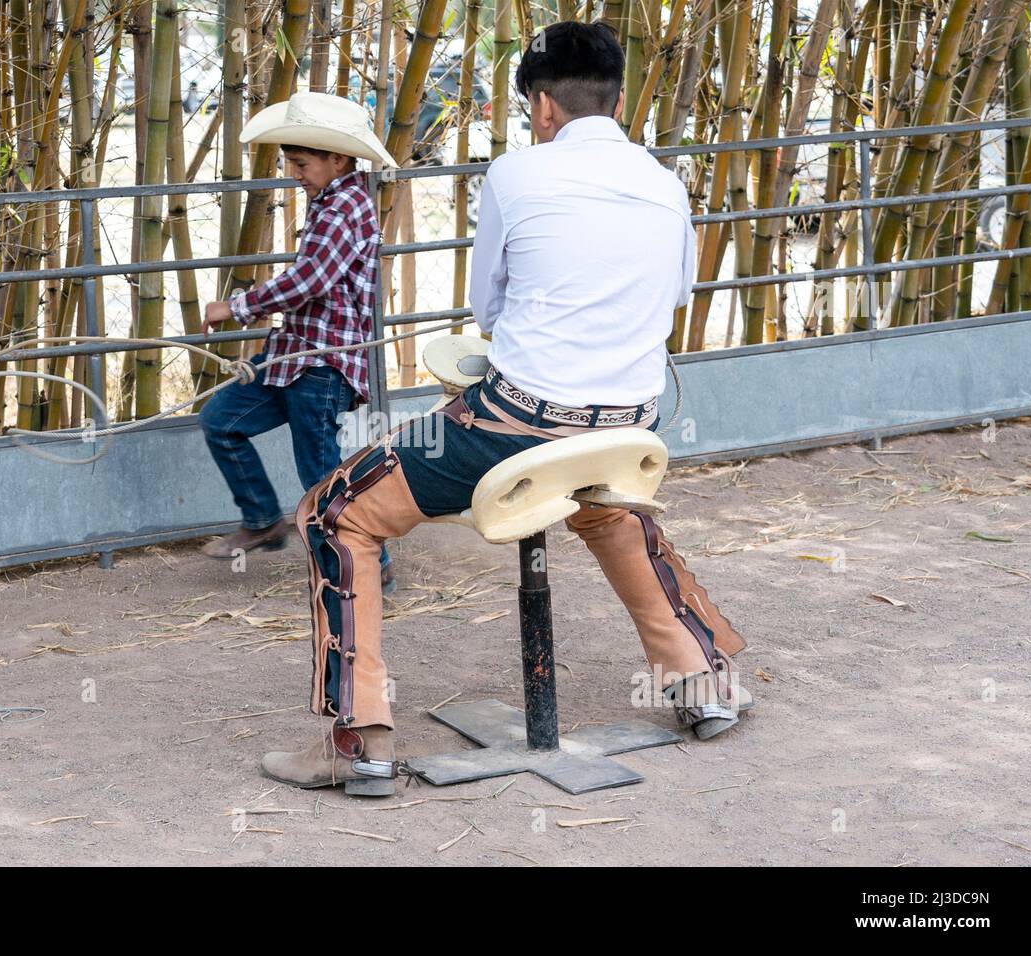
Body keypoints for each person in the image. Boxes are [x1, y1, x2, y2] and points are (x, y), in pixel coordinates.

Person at [259, 22, 752, 797]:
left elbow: (488, 307)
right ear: (617, 101)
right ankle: (700, 682)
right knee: (600, 499)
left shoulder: (517, 175)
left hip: (513, 425)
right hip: (630, 426)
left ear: (544, 109)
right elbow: (676, 296)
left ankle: (359, 741)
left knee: (331, 509)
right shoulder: (666, 182)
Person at [198, 92, 395, 590]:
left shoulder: (343, 205)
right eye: (293, 164)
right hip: (293, 355)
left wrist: (237, 307)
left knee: (323, 473)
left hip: (322, 364)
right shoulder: (334, 200)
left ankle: (371, 565)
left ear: (338, 158)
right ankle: (264, 519)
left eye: (303, 164)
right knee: (222, 421)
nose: (297, 174)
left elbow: (311, 280)